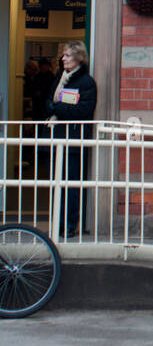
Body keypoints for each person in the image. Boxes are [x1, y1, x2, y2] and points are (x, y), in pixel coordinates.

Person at [42, 42, 97, 237]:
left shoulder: (86, 83)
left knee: (71, 184)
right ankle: (57, 222)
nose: (63, 59)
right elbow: (48, 102)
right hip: (55, 137)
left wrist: (56, 108)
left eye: (67, 55)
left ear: (78, 58)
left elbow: (83, 112)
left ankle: (70, 225)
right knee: (56, 183)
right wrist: (55, 107)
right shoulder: (60, 77)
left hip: (73, 140)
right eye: (63, 55)